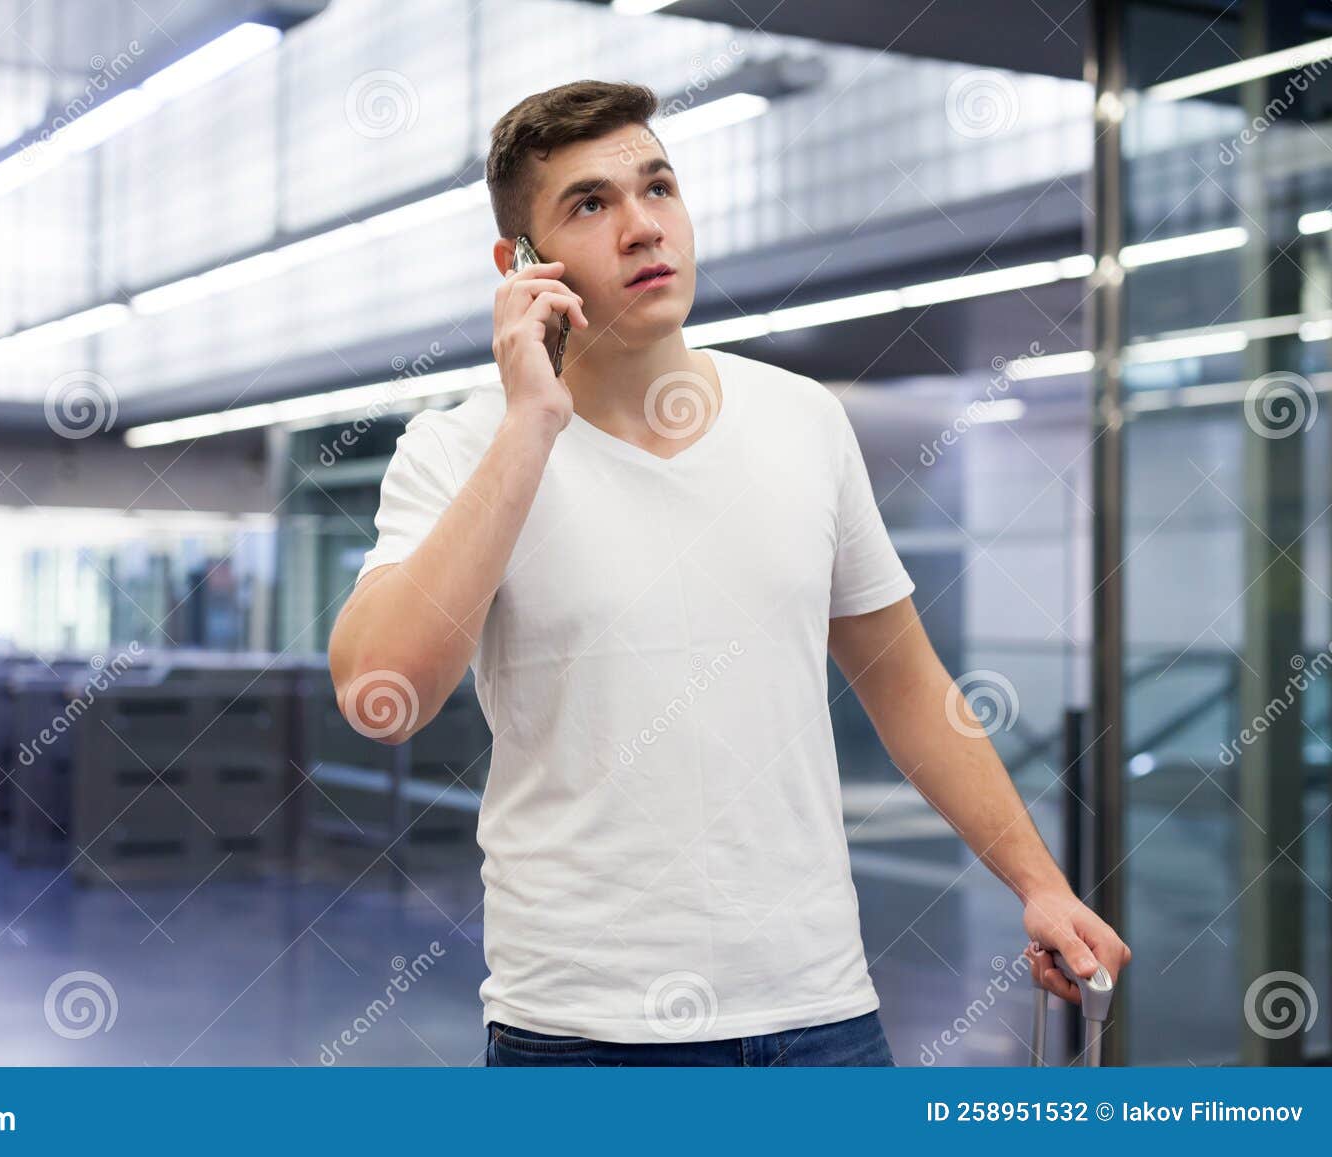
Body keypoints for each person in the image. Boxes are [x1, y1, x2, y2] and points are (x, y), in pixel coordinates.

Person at [327, 79, 1129, 1067]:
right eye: (590, 204)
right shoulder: (458, 451)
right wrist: (532, 423)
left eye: (657, 188)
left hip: (821, 1018)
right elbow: (384, 692)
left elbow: (907, 683)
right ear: (521, 266)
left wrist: (1036, 878)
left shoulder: (801, 420)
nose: (640, 227)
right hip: (581, 1035)